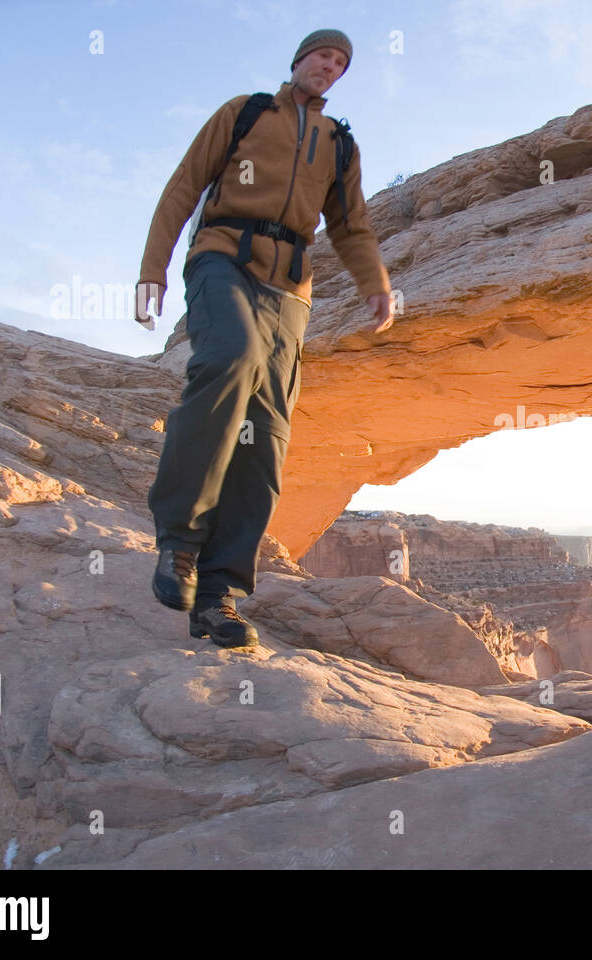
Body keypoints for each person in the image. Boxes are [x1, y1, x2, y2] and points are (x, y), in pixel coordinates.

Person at [134, 29, 393, 647]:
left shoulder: (339, 143)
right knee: (231, 357)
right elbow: (183, 186)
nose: (328, 68)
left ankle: (219, 594)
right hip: (223, 257)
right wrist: (153, 268)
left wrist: (375, 284)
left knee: (268, 430)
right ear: (299, 60)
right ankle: (178, 543)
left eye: (339, 64)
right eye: (321, 57)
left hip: (291, 289)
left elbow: (351, 226)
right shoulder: (245, 112)